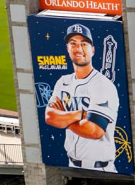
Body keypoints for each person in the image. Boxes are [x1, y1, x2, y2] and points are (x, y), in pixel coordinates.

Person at [44, 23, 120, 172]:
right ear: (67, 48)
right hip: (71, 164)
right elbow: (49, 117)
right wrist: (79, 115)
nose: (78, 48)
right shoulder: (62, 82)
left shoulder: (102, 85)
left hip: (102, 168)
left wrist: (63, 119)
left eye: (83, 44)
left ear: (92, 50)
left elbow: (95, 130)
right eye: (73, 44)